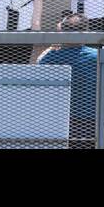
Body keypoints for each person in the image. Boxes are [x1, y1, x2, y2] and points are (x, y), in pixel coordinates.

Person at [38, 12, 98, 148]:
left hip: (59, 118)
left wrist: (54, 44)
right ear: (85, 32)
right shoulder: (97, 57)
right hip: (90, 119)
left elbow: (39, 64)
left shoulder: (52, 57)